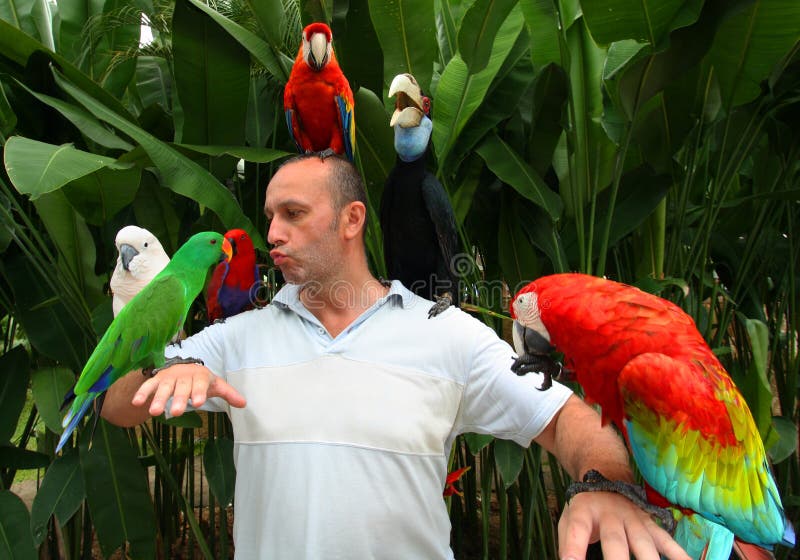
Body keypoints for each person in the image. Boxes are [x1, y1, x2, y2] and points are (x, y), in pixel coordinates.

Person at [102, 154, 690, 560]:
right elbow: (117, 406)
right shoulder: (235, 339)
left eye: (294, 214)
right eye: (270, 217)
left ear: (353, 220)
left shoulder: (449, 336)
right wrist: (159, 370)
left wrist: (604, 486)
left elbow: (568, 420)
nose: (272, 234)